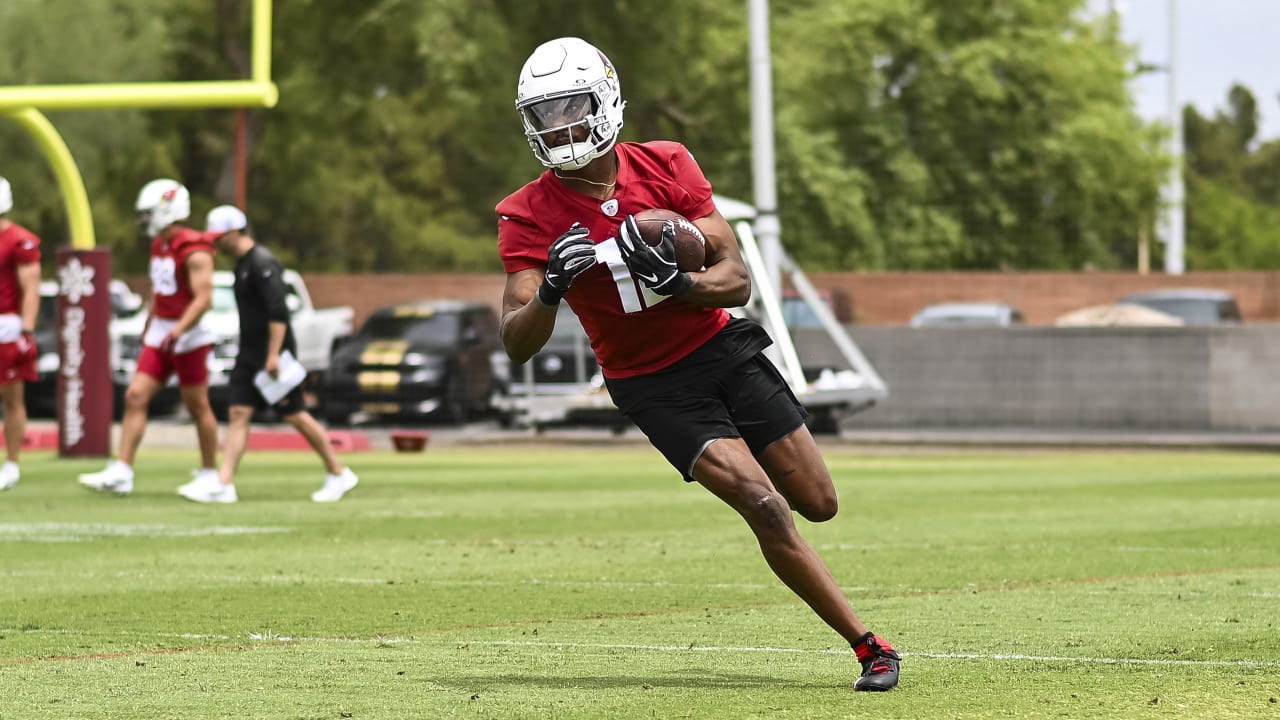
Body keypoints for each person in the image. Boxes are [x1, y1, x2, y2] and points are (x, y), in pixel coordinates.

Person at [496, 38, 900, 691]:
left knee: (817, 503)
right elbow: (517, 341)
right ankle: (870, 647)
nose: (560, 125)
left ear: (604, 102)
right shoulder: (527, 213)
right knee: (765, 506)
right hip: (651, 384)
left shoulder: (666, 164)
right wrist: (548, 292)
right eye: (545, 114)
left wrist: (680, 281)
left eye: (572, 107)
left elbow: (737, 279)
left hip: (721, 348)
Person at [176, 205, 358, 504]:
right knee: (238, 413)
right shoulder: (241, 264)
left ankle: (338, 473)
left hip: (272, 354)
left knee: (295, 414)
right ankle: (224, 483)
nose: (216, 243)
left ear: (235, 231)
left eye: (220, 237)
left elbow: (279, 312)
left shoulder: (262, 262)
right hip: (249, 352)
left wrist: (274, 355)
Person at [79, 179, 220, 496]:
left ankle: (211, 474)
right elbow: (161, 290)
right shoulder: (160, 245)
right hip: (162, 332)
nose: (145, 220)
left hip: (188, 335)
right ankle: (122, 470)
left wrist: (179, 329)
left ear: (169, 209)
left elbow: (203, 299)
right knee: (135, 396)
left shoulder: (195, 248)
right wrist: (151, 321)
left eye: (149, 213)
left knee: (197, 404)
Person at [0, 177, 41, 491]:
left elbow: (30, 289)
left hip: (6, 324)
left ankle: (11, 463)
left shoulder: (18, 240)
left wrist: (26, 329)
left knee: (12, 396)